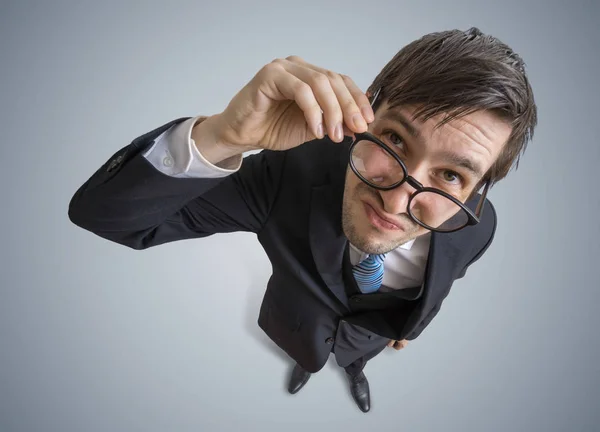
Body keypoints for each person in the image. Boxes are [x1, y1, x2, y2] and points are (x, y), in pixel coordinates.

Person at [68, 27, 537, 413]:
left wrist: (409, 326)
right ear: (366, 114)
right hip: (296, 326)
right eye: (394, 140)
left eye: (451, 174)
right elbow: (109, 217)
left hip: (372, 338)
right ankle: (307, 366)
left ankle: (354, 371)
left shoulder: (479, 226)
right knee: (308, 356)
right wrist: (223, 135)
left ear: (476, 192)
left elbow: (448, 278)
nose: (396, 202)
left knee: (356, 361)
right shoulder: (289, 169)